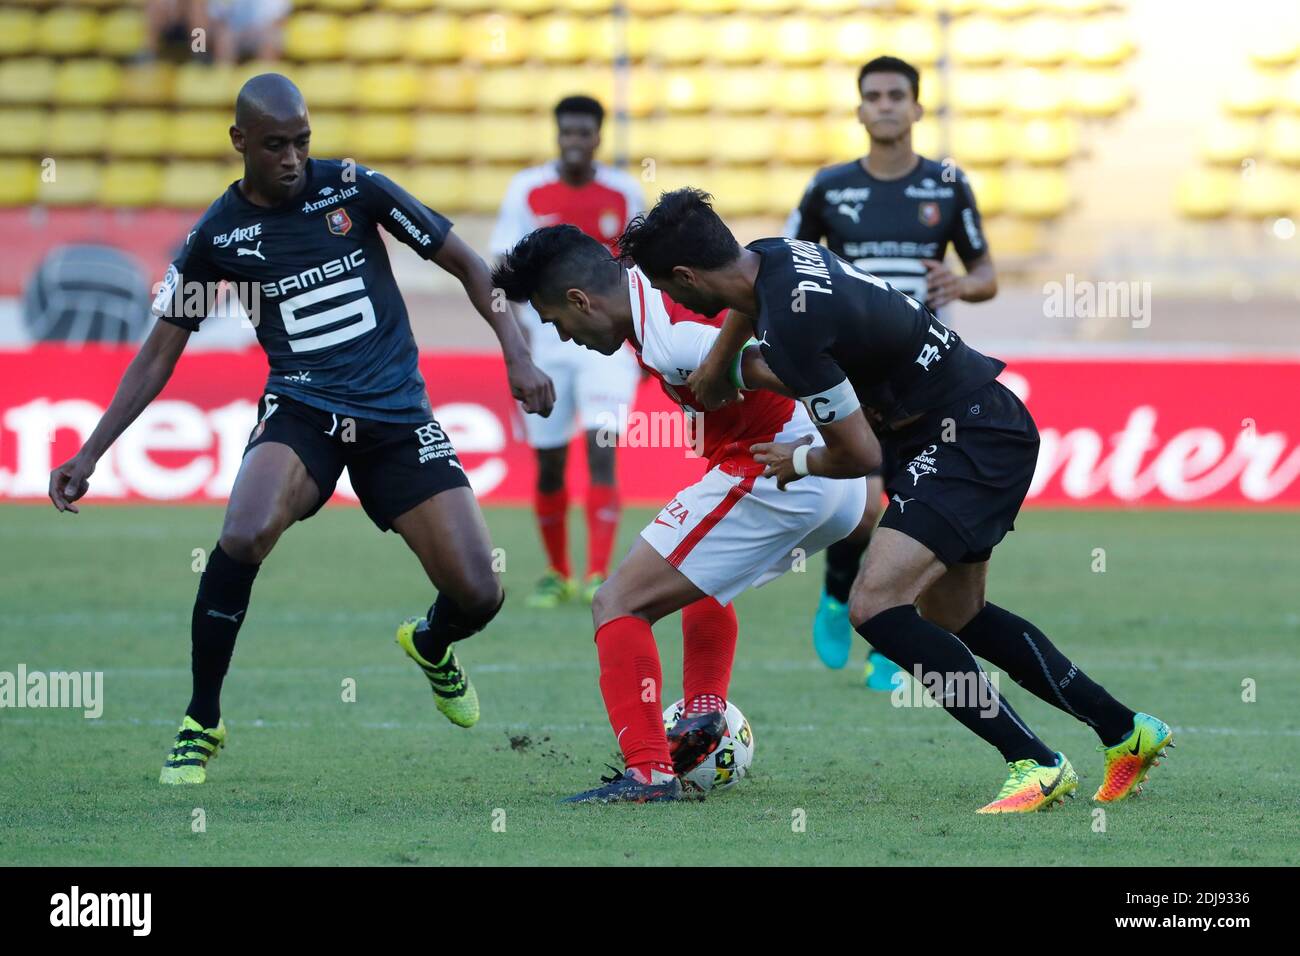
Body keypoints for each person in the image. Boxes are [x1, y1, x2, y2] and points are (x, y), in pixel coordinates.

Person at [48, 74, 555, 785]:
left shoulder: (354, 188)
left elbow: (468, 263)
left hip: (396, 417)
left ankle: (431, 643)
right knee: (242, 531)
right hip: (303, 411)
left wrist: (518, 352)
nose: (292, 157)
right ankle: (202, 718)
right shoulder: (218, 237)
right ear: (240, 143)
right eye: (276, 144)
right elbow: (161, 348)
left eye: (302, 141)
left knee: (480, 592)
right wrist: (91, 450)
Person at [617, 188, 1172, 812]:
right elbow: (746, 315)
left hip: (964, 436)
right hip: (970, 420)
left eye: (670, 289)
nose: (674, 304)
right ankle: (1125, 731)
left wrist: (795, 460)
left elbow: (857, 456)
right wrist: (720, 368)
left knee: (876, 606)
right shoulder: (772, 256)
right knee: (954, 614)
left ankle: (1037, 763)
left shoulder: (794, 328)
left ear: (687, 278)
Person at [491, 224, 871, 803]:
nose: (563, 338)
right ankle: (701, 717)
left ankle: (649, 773)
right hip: (824, 484)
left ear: (579, 301)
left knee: (616, 601)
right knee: (703, 582)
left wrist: (846, 437)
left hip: (782, 470)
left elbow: (792, 367)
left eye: (555, 322)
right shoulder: (659, 295)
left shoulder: (669, 337)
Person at [787, 56, 998, 684]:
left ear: (916, 108)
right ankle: (835, 593)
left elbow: (987, 274)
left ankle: (888, 640)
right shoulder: (828, 188)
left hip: (927, 374)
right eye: (873, 95)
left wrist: (962, 281)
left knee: (913, 503)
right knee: (862, 505)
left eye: (895, 95)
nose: (884, 105)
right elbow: (786, 263)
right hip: (848, 372)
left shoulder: (947, 185)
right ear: (859, 110)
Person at [491, 96, 644, 608]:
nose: (575, 142)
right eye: (567, 133)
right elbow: (503, 277)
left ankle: (599, 573)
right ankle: (557, 573)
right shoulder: (527, 190)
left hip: (607, 346)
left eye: (585, 133)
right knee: (550, 463)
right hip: (545, 343)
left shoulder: (624, 192)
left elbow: (639, 272)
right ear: (557, 134)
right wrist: (520, 348)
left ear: (599, 136)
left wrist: (641, 346)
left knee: (603, 451)